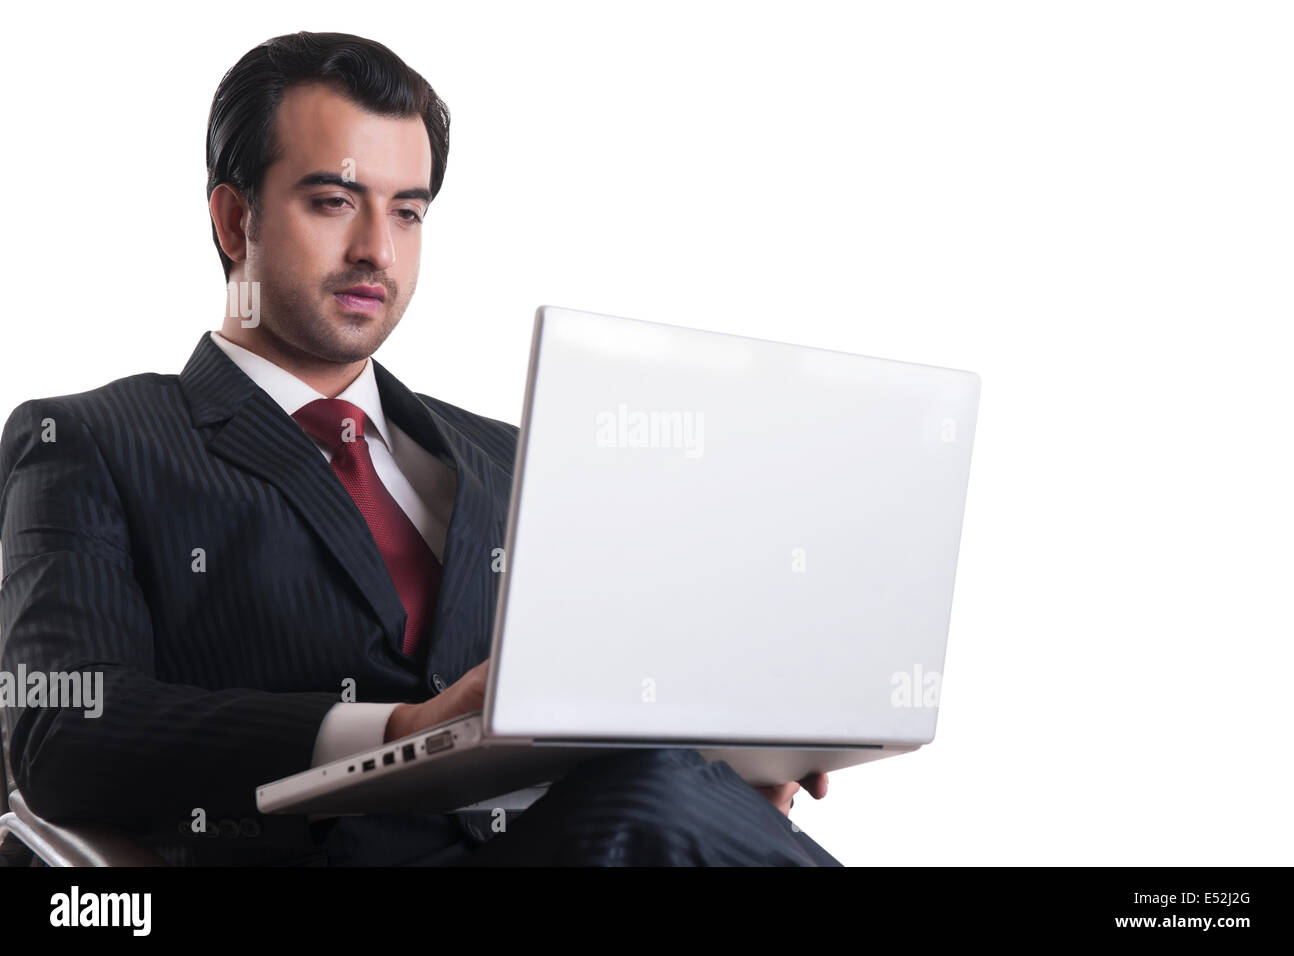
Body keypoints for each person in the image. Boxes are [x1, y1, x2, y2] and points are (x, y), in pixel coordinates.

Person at [0, 31, 839, 866]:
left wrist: (735, 770)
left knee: (671, 784)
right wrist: (398, 733)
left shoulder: (515, 459)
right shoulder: (92, 442)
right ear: (232, 218)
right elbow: (62, 733)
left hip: (567, 842)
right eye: (334, 201)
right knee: (653, 795)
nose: (379, 249)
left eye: (408, 210)